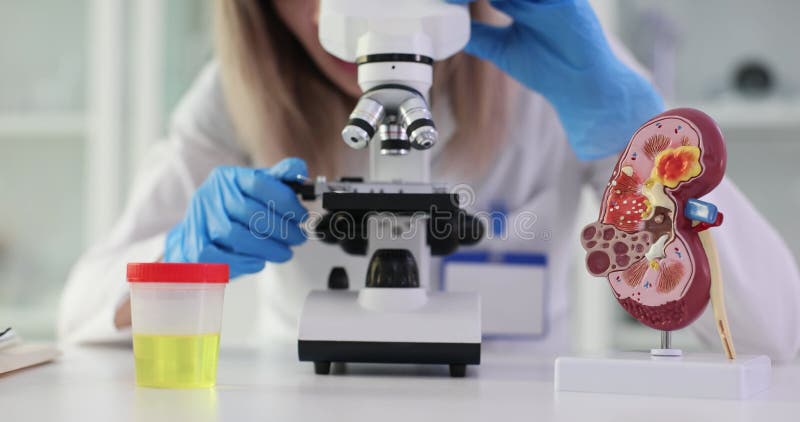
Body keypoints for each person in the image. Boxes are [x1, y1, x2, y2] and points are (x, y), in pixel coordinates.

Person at [59, 0, 800, 362]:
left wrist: (638, 146)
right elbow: (81, 314)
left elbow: (776, 335)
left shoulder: (563, 76)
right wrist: (175, 264)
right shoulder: (233, 99)